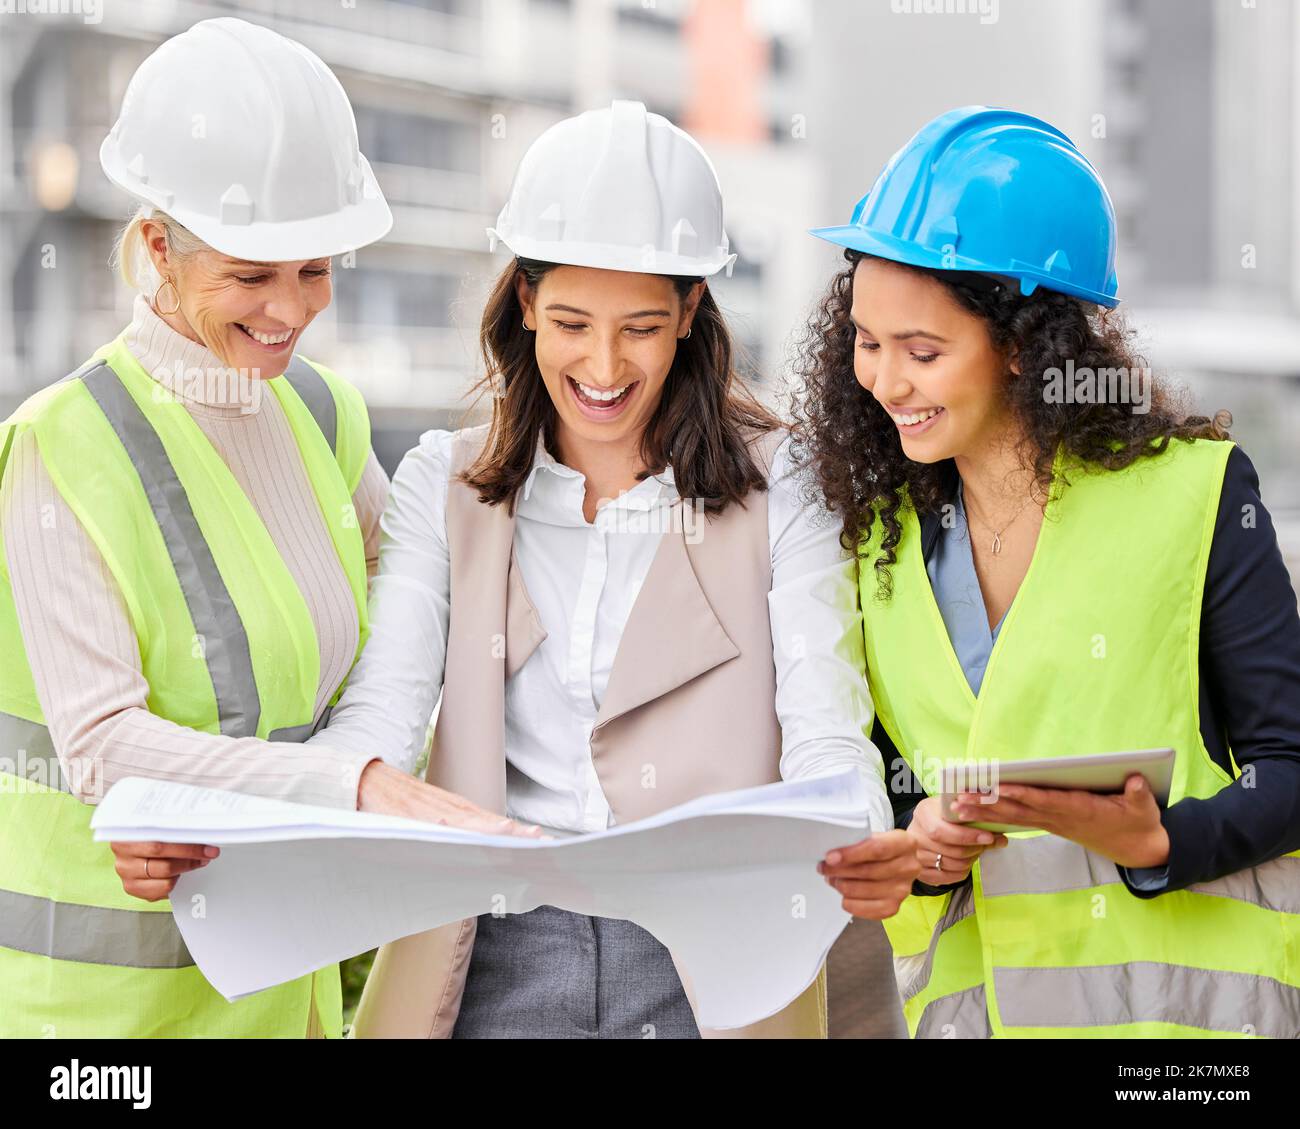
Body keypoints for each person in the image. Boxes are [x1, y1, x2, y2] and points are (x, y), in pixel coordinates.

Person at [307, 101, 918, 1039]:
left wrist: (854, 828)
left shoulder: (783, 483)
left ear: (688, 313)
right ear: (523, 306)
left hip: (715, 953)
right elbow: (379, 717)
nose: (601, 364)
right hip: (491, 948)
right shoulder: (446, 485)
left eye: (639, 325)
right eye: (570, 322)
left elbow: (824, 723)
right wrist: (255, 821)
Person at [0, 17, 531, 1040]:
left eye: (315, 268)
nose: (291, 309)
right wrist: (358, 786)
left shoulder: (322, 416)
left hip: (280, 997)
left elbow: (421, 618)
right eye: (251, 275)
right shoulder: (59, 445)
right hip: (99, 1025)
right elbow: (106, 744)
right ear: (157, 246)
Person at [799, 106, 1300, 1038]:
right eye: (867, 342)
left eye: (924, 351)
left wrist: (1164, 841)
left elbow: (1293, 762)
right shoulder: (877, 541)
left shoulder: (1196, 498)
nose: (885, 381)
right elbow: (892, 782)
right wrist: (922, 846)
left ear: (1026, 345)